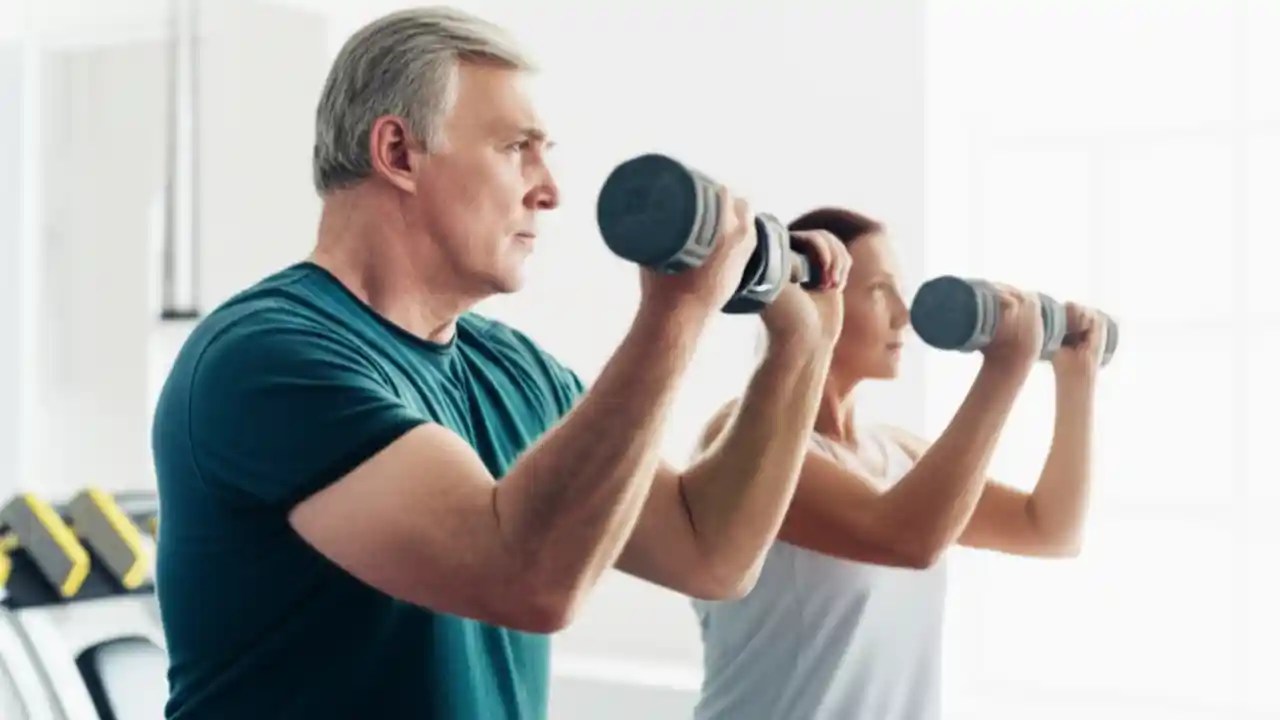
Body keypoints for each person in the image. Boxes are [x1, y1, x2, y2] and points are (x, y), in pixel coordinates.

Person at [150, 7, 853, 720]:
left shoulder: (514, 369)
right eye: (518, 147)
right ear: (398, 152)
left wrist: (799, 350)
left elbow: (710, 554)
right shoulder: (267, 362)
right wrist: (676, 313)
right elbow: (527, 578)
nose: (550, 190)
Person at [690, 207, 1108, 720]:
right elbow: (908, 539)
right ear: (819, 297)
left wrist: (1077, 377)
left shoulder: (898, 453)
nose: (904, 314)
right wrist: (1004, 370)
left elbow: (1050, 530)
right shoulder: (747, 440)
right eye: (879, 290)